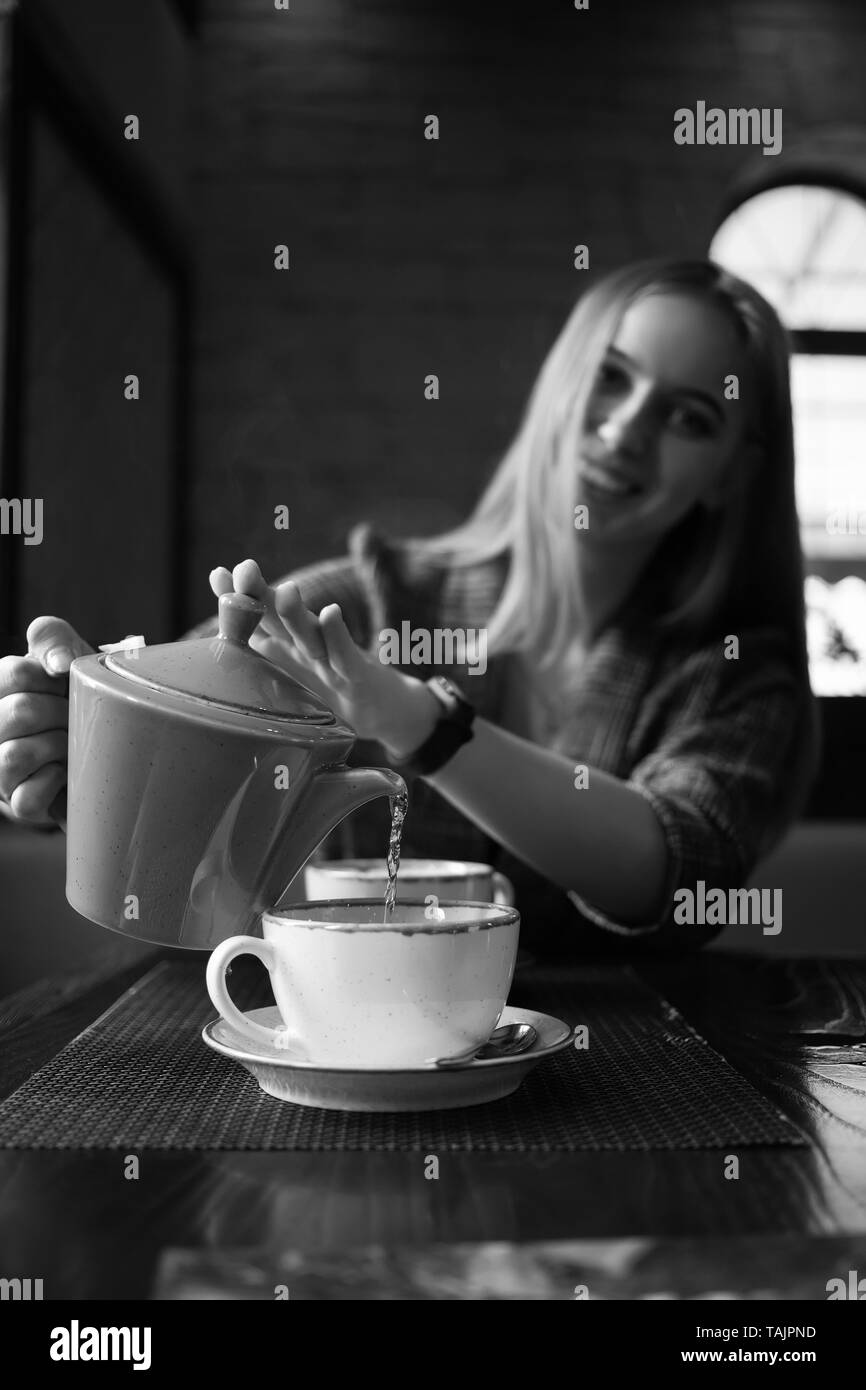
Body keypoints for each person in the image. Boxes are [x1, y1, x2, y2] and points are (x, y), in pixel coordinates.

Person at [0, 258, 820, 956]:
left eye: (689, 417)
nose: (627, 431)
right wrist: (70, 744)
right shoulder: (364, 602)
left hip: (628, 1080)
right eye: (610, 376)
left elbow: (685, 870)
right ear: (557, 386)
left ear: (730, 475)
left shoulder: (735, 675)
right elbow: (166, 751)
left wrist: (421, 723)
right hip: (327, 1058)